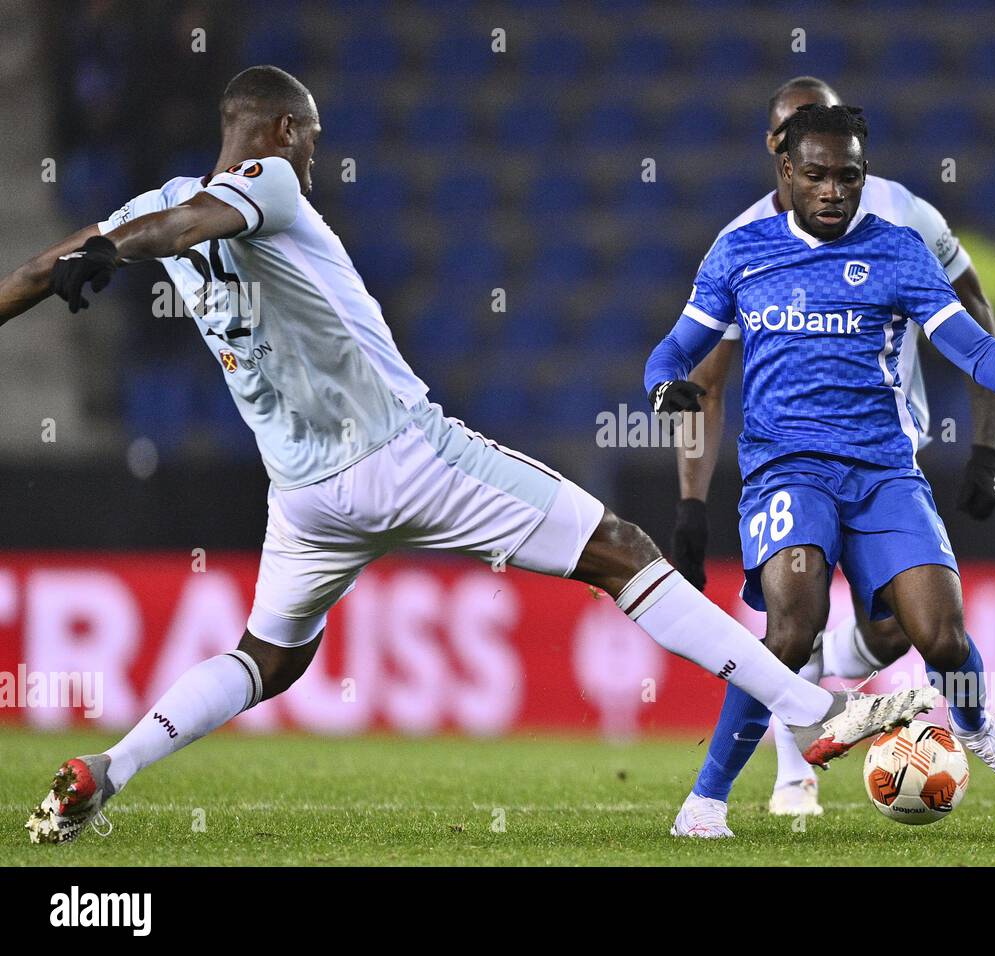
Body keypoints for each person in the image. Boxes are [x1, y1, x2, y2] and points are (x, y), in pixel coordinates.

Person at [0, 67, 939, 845]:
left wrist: (101, 253)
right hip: (401, 452)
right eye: (314, 139)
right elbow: (199, 221)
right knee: (618, 548)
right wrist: (121, 251)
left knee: (267, 658)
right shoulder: (268, 182)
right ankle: (813, 711)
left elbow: (61, 262)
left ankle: (109, 766)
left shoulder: (153, 208)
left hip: (303, 495)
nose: (317, 159)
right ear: (282, 130)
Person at [645, 104, 995, 838]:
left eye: (850, 176)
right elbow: (672, 351)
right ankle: (705, 801)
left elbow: (973, 347)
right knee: (792, 626)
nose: (834, 190)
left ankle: (978, 722)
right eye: (819, 175)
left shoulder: (898, 251)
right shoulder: (740, 253)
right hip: (786, 470)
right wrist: (663, 386)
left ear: (864, 175)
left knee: (942, 636)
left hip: (884, 471)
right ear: (786, 172)